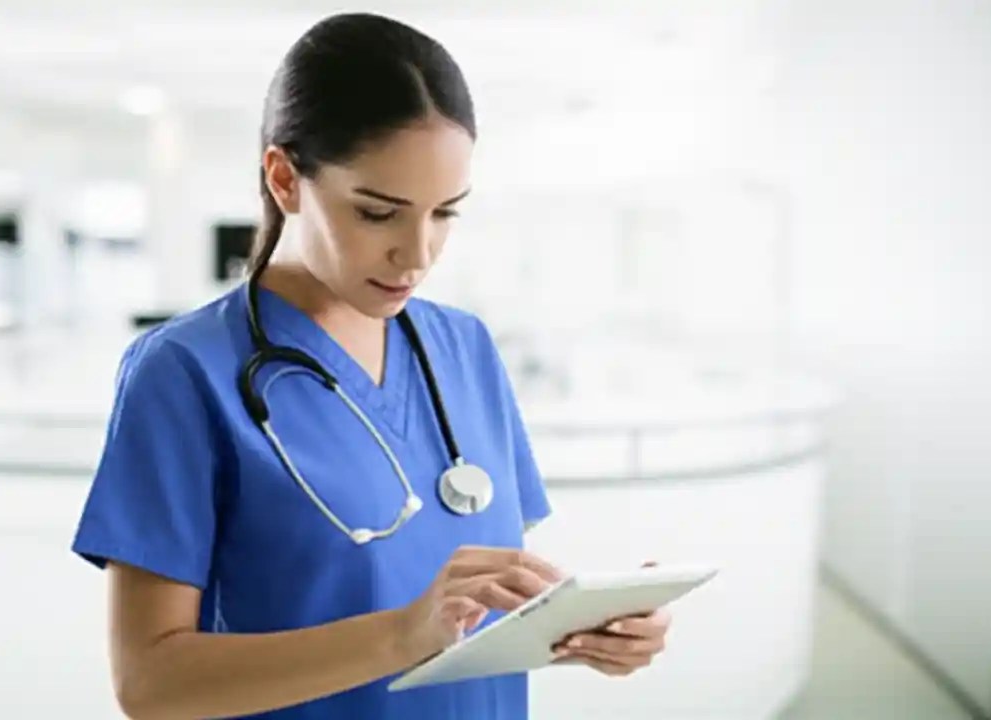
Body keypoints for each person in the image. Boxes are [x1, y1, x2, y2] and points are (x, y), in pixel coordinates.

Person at [71, 12, 671, 720]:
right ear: (284, 179)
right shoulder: (182, 374)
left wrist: (577, 628)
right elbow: (149, 683)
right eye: (379, 213)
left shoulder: (465, 348)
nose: (417, 254)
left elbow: (474, 600)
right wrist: (399, 636)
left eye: (445, 213)